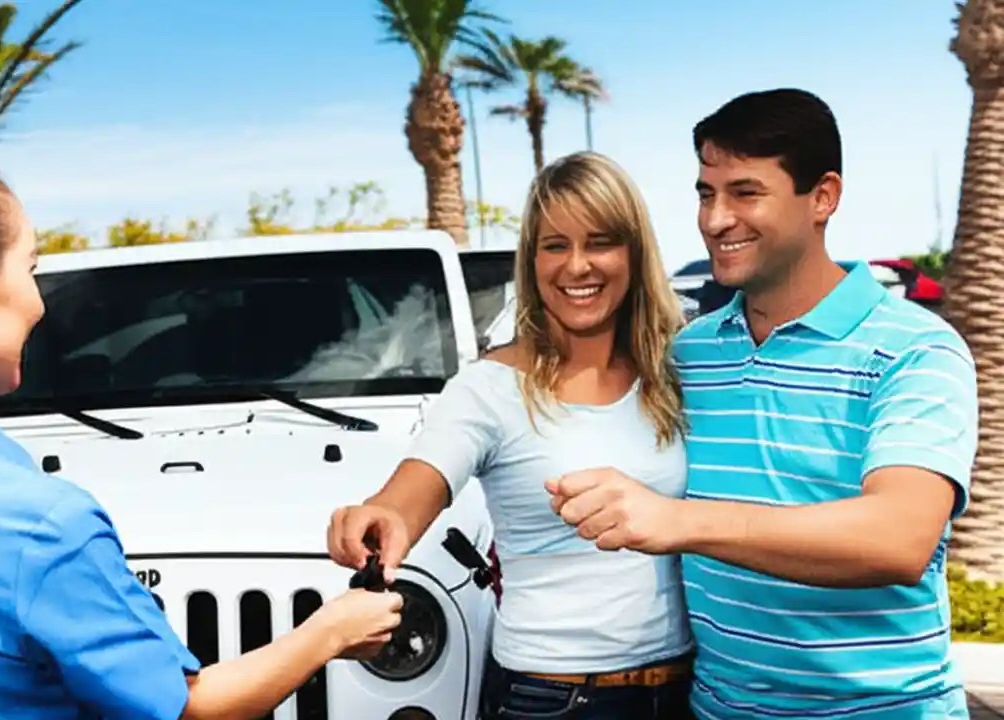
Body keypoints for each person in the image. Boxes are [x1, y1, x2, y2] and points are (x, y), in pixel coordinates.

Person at [0, 113, 403, 720]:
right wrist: (331, 631)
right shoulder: (36, 522)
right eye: (30, 270)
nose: (39, 302)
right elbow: (186, 708)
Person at [546, 88, 977, 719]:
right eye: (705, 193)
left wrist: (681, 521)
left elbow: (900, 538)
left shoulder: (916, 349)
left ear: (823, 197)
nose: (716, 219)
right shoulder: (690, 355)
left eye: (746, 193)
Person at [327, 151, 696, 719]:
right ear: (531, 258)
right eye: (556, 245)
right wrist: (380, 517)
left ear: (634, 252)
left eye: (600, 242)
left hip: (685, 690)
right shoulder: (488, 389)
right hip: (553, 700)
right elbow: (415, 488)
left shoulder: (674, 375)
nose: (577, 266)